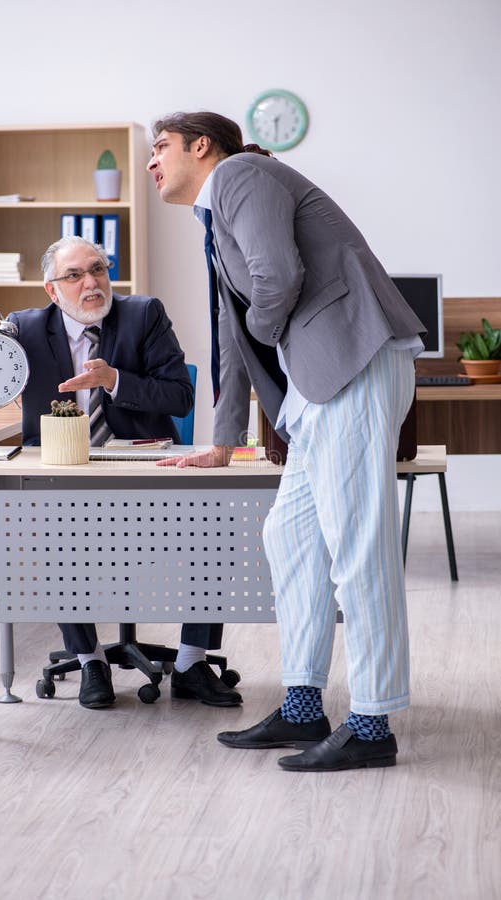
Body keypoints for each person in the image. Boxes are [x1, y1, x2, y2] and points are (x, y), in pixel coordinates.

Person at [147, 111, 425, 772]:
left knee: (357, 546)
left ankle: (372, 721)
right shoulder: (214, 220)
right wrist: (220, 441)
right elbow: (231, 340)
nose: (152, 162)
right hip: (319, 384)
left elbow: (276, 279)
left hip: (349, 359)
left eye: (160, 148)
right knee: (289, 536)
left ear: (201, 146)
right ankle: (302, 707)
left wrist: (276, 340)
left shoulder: (242, 174)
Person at [0, 235, 242, 710]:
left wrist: (114, 380)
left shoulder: (143, 314)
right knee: (49, 533)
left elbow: (179, 397)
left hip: (144, 472)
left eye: (99, 270)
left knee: (210, 525)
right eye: (75, 275)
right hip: (60, 479)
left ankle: (191, 663)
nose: (91, 283)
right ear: (52, 290)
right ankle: (90, 660)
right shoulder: (23, 328)